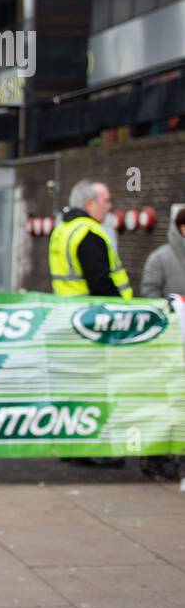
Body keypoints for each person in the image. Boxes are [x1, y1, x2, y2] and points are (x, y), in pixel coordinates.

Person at [50, 179, 130, 468]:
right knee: (97, 386)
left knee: (75, 384)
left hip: (69, 319)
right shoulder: (89, 233)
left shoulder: (63, 230)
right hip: (95, 322)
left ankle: (73, 445)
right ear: (89, 204)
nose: (110, 206)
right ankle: (94, 446)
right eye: (106, 200)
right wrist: (126, 311)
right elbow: (100, 281)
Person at [139, 204, 185, 481]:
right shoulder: (160, 258)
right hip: (171, 346)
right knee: (166, 402)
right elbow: (149, 295)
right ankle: (158, 456)